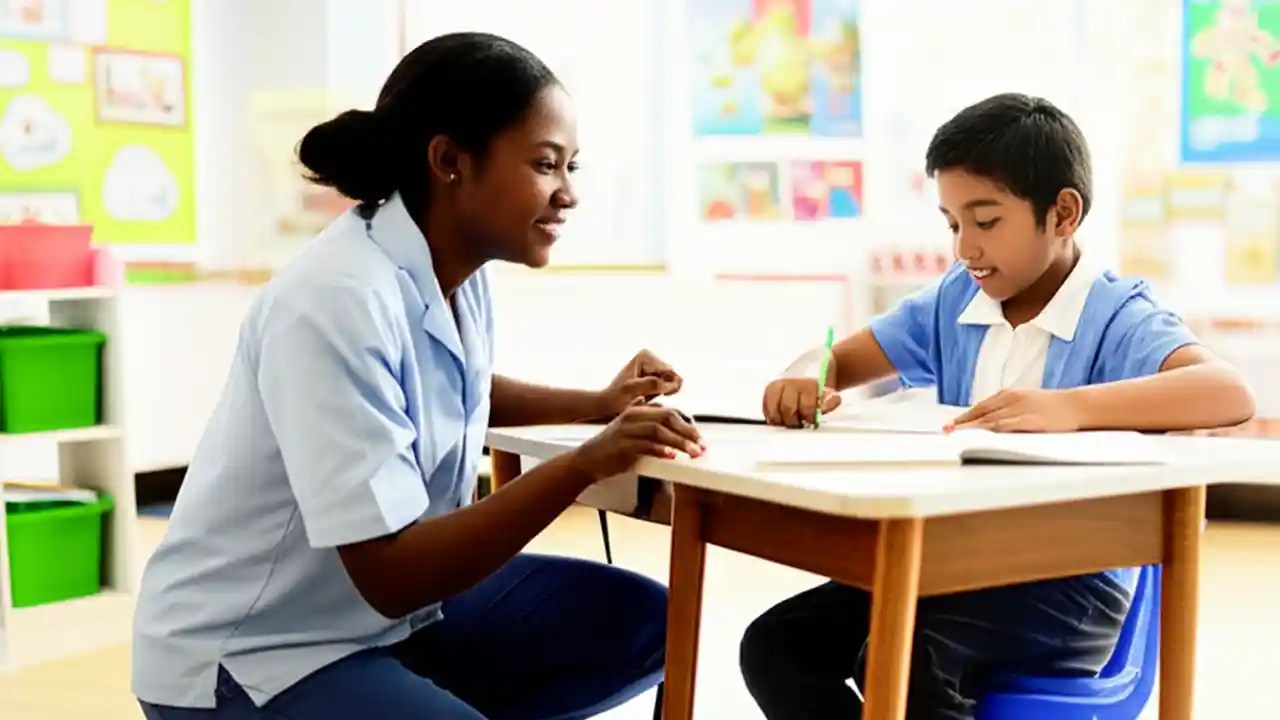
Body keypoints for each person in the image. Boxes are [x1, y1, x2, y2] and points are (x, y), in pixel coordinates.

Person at [131, 32, 704, 720]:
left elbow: (459, 388)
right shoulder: (336, 297)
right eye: (547, 165)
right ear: (450, 161)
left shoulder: (456, 273)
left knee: (648, 622)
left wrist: (599, 405)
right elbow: (392, 575)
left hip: (381, 622)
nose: (568, 194)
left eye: (570, 167)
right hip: (257, 651)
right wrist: (583, 463)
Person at [742, 92, 1255, 720]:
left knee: (901, 660)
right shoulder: (957, 299)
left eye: (985, 222)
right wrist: (804, 370)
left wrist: (1067, 409)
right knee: (774, 646)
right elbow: (840, 360)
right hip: (956, 560)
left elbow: (1229, 392)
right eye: (952, 223)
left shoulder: (1116, 314)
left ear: (1063, 213)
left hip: (1074, 584)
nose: (964, 247)